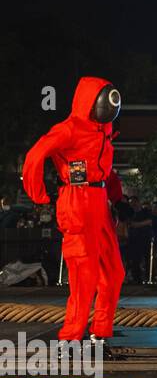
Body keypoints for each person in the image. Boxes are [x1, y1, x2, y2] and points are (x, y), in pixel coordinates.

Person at [20, 76, 126, 355]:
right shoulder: (69, 129)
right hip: (76, 201)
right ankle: (70, 339)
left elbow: (104, 168)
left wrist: (117, 198)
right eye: (106, 100)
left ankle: (98, 337)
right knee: (84, 276)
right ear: (91, 101)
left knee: (113, 273)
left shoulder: (103, 130)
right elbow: (35, 155)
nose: (110, 106)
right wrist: (38, 194)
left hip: (99, 202)